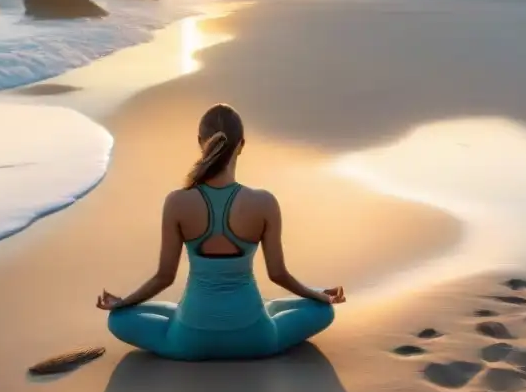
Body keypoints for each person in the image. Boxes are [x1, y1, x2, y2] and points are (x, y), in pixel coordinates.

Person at [96, 103, 345, 361]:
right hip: (256, 337)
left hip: (188, 340)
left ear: (200, 142)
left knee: (119, 319)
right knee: (322, 310)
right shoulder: (264, 202)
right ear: (242, 145)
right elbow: (278, 274)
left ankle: (190, 314)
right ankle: (271, 307)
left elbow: (164, 278)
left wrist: (122, 303)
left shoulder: (177, 202)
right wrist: (316, 295)